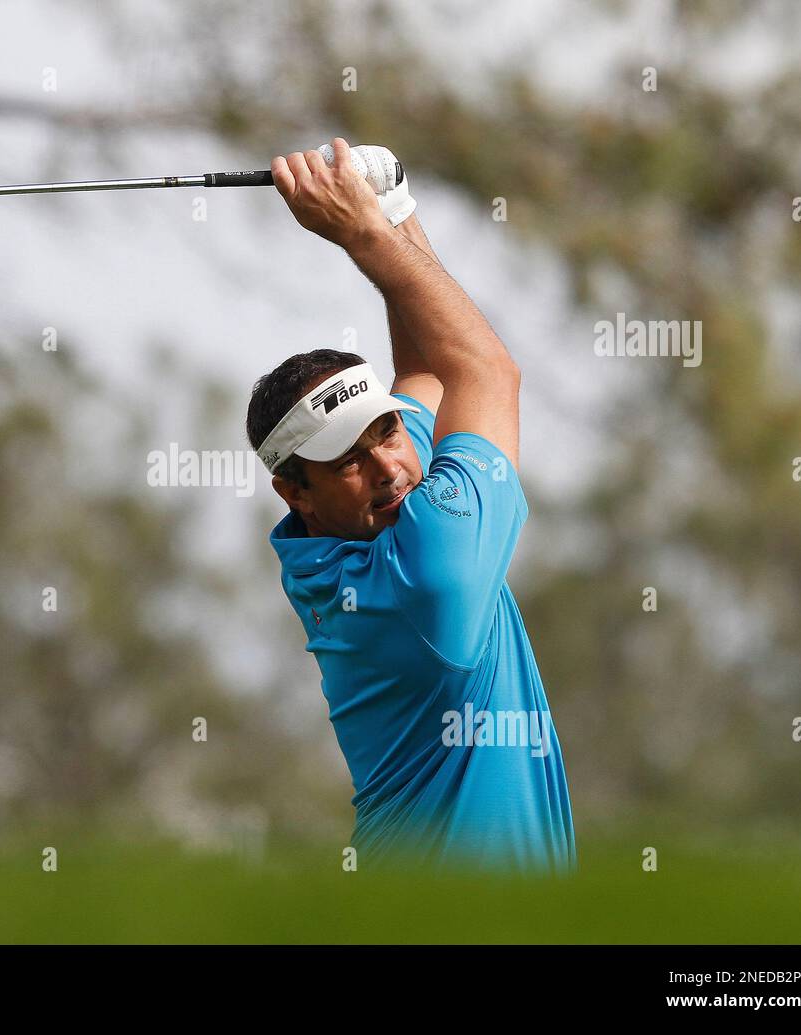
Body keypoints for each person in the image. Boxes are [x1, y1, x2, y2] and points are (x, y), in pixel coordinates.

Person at [247, 138, 576, 874]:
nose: (391, 466)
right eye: (348, 459)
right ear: (294, 489)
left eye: (386, 430)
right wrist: (363, 232)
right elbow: (485, 368)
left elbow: (424, 367)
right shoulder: (425, 569)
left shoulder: (345, 535)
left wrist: (391, 207)